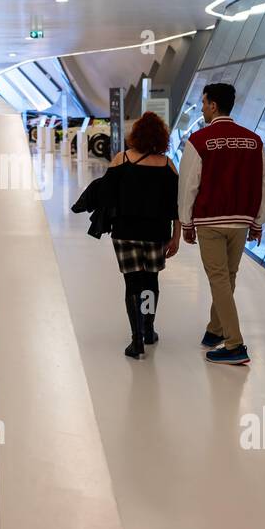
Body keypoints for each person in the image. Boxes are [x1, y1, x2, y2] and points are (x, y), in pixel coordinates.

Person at [178, 82, 265, 366]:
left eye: (204, 102)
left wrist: (186, 222)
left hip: (210, 221)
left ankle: (235, 344)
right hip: (241, 222)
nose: (203, 107)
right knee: (228, 277)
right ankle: (215, 329)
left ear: (214, 105)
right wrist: (258, 221)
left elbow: (189, 184)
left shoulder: (199, 141)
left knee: (218, 279)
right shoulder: (254, 141)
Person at [107, 111, 180, 359]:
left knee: (132, 283)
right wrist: (176, 236)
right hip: (156, 234)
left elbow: (107, 196)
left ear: (135, 135)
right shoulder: (168, 165)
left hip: (125, 233)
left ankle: (136, 338)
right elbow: (176, 206)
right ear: (161, 138)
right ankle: (148, 329)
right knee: (151, 281)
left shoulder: (121, 159)